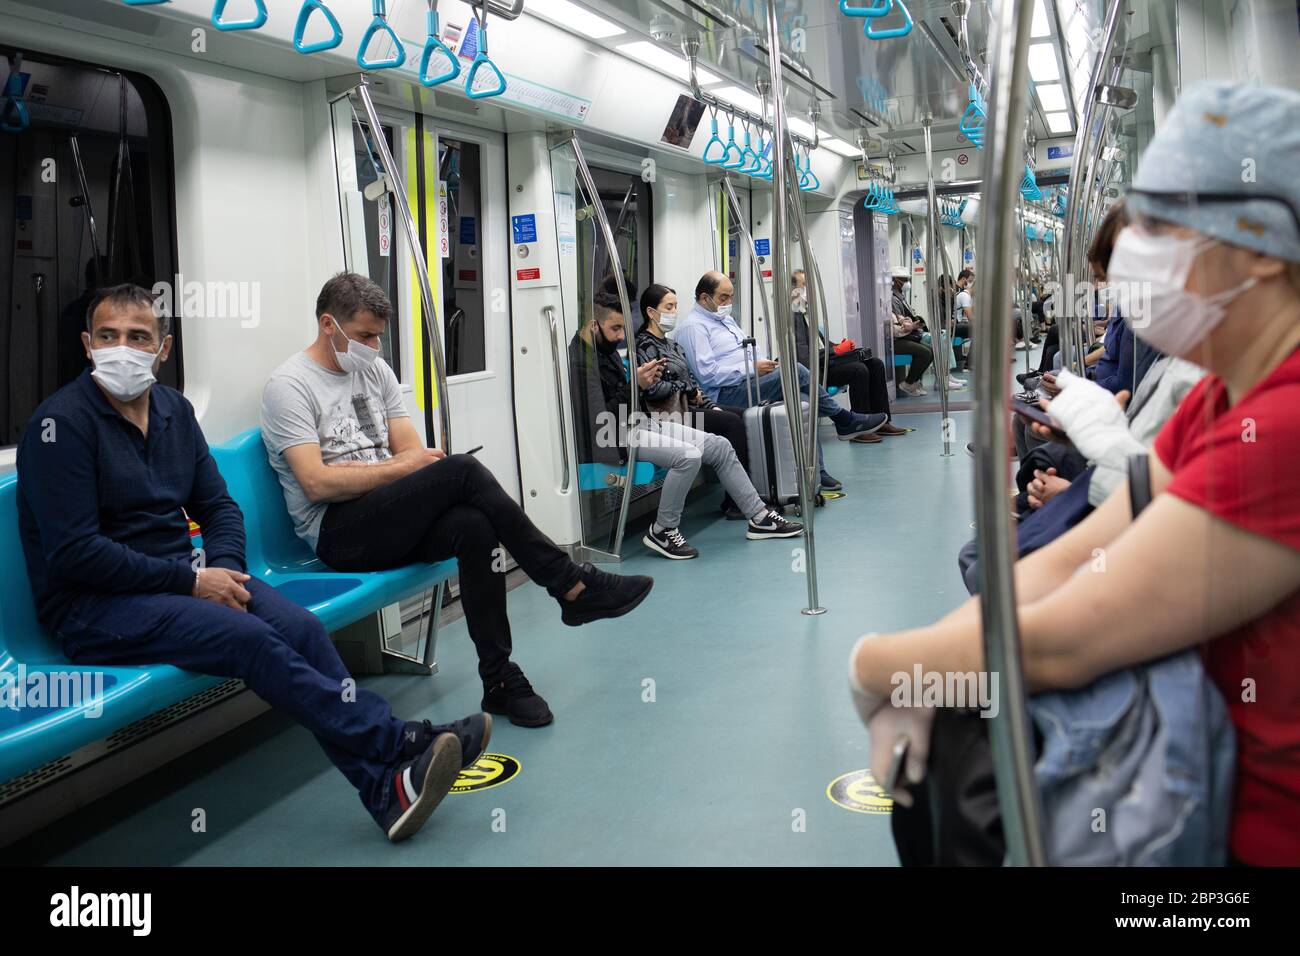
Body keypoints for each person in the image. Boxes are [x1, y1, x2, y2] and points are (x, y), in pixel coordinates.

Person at [851, 81, 1300, 867]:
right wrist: (925, 672)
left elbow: (1070, 638)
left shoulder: (1285, 424)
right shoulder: (1223, 399)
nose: (1135, 252)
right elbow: (1062, 565)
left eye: (1161, 226)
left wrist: (879, 666)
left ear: (1262, 249)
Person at [16, 283, 491, 843]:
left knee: (303, 628)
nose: (123, 348)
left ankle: (387, 792)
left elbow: (218, 507)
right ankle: (399, 742)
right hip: (94, 606)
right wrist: (193, 581)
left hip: (180, 582)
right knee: (252, 639)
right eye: (109, 336)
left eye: (138, 337)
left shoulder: (173, 411)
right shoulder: (61, 427)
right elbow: (76, 554)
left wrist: (225, 570)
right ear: (87, 345)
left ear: (162, 350)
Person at [262, 273, 654, 729]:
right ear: (329, 325)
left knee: (475, 527)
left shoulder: (373, 372)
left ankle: (499, 680)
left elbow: (409, 448)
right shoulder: (290, 386)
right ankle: (569, 583)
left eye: (378, 337)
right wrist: (397, 469)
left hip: (382, 513)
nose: (374, 347)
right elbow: (317, 483)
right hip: (336, 531)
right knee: (463, 471)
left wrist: (389, 469)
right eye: (365, 336)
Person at [570, 291, 803, 560]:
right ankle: (663, 530)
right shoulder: (581, 363)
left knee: (719, 445)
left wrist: (639, 387)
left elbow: (626, 401)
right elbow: (603, 419)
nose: (621, 336)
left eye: (623, 327)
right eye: (615, 328)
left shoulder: (607, 351)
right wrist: (636, 385)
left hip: (638, 422)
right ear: (592, 325)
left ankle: (760, 516)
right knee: (688, 457)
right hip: (613, 437)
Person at [676, 271, 888, 492]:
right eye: (723, 298)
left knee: (803, 400)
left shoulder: (726, 320)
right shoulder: (693, 328)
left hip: (750, 382)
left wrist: (764, 365)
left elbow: (749, 353)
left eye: (731, 297)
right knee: (796, 370)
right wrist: (752, 369)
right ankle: (843, 419)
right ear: (703, 298)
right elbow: (707, 375)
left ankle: (816, 471)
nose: (728, 302)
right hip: (726, 395)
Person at [635, 283, 751, 519]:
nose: (674, 312)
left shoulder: (673, 345)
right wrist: (686, 388)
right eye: (669, 307)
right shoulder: (644, 345)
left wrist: (711, 405)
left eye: (676, 306)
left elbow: (693, 384)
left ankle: (748, 494)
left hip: (689, 406)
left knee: (743, 416)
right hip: (669, 415)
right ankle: (735, 503)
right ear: (651, 312)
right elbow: (653, 390)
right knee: (731, 424)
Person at [791, 270, 909, 439]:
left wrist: (839, 346)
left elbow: (820, 343)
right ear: (794, 289)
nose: (808, 289)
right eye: (804, 285)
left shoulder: (806, 312)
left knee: (875, 364)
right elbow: (803, 356)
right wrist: (836, 351)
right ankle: (859, 427)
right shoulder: (793, 316)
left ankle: (882, 422)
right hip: (816, 370)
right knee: (858, 370)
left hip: (826, 362)